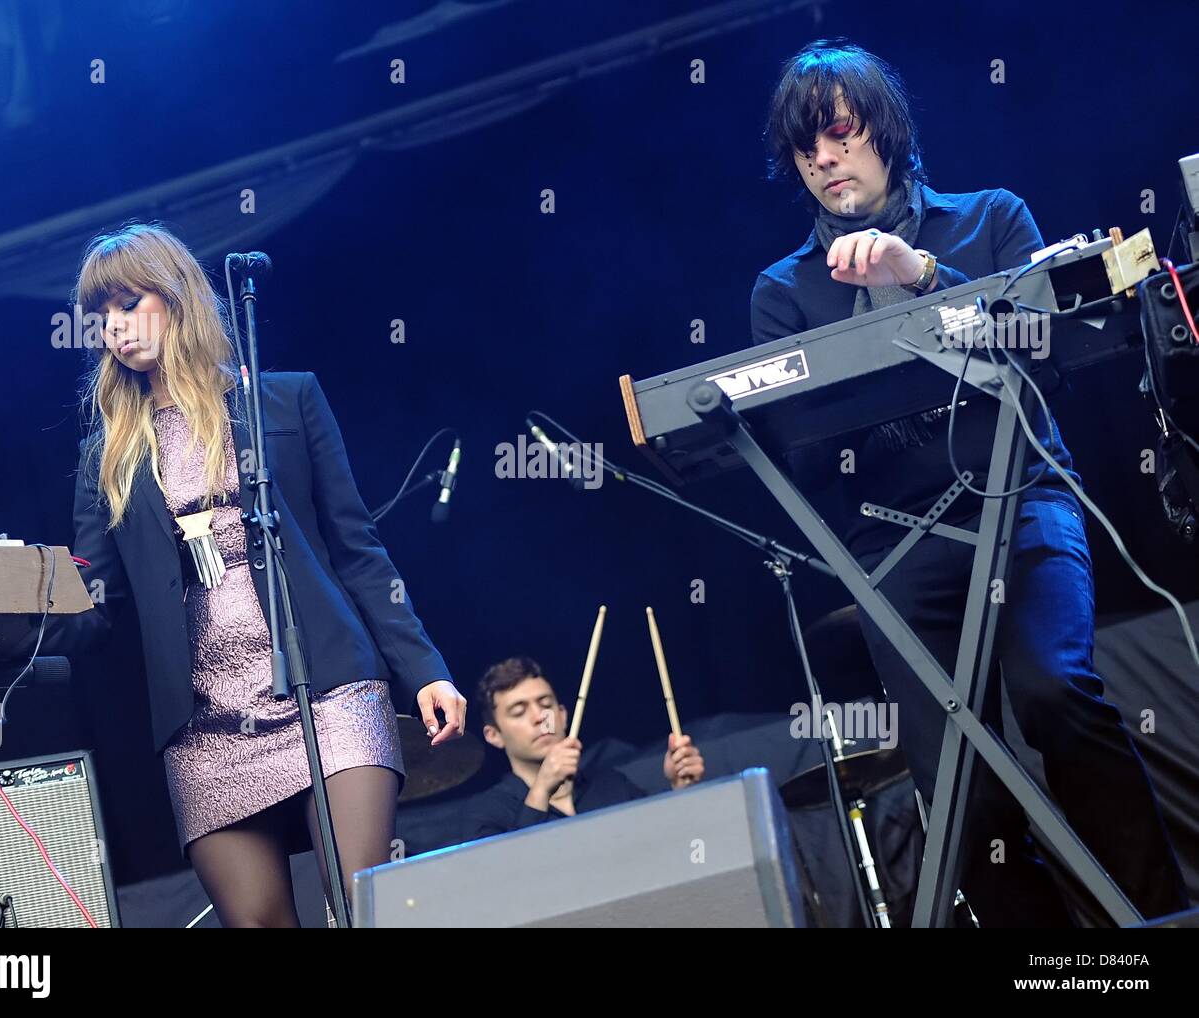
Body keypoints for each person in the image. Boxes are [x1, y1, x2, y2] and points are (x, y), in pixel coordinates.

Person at [750, 39, 1187, 925]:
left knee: (1054, 692)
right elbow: (803, 456)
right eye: (806, 151)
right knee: (961, 788)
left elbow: (1052, 356)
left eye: (838, 134)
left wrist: (922, 280)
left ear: (887, 129)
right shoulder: (784, 291)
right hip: (895, 542)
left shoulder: (989, 218)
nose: (825, 161)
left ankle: (1158, 923)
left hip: (1020, 498)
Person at [31, 222, 466, 927]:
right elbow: (95, 604)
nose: (115, 327)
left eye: (129, 302)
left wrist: (425, 670)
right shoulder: (104, 457)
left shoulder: (287, 401)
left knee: (366, 908)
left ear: (175, 297)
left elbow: (358, 549)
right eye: (101, 315)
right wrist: (1, 615)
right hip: (205, 729)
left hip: (327, 692)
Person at [465, 656, 704, 839]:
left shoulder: (612, 786)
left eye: (546, 704)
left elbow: (664, 849)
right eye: (519, 712)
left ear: (562, 716)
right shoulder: (488, 812)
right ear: (494, 735)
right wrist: (541, 792)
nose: (540, 717)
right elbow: (508, 881)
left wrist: (682, 792)